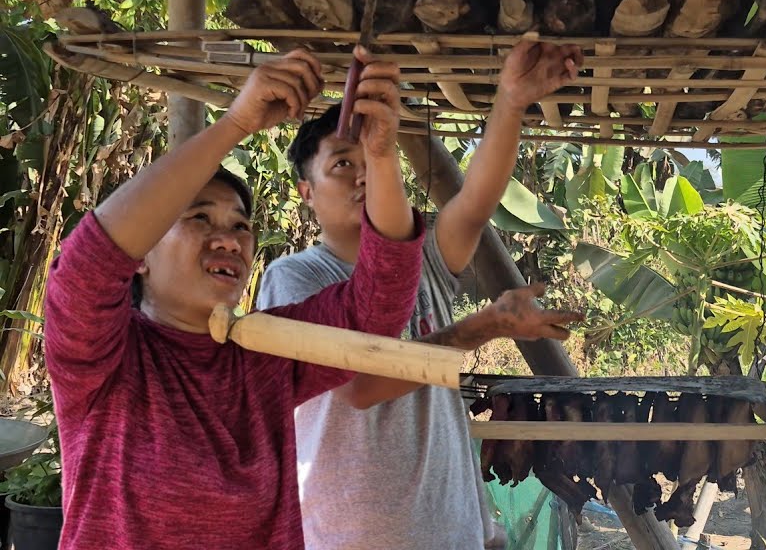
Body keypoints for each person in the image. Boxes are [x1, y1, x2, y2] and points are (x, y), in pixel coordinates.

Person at [44, 48, 425, 549]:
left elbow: (375, 311)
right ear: (141, 254)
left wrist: (380, 158)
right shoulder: (100, 361)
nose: (229, 239)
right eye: (199, 217)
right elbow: (87, 266)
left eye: (241, 225)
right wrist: (236, 123)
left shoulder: (266, 358)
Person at [258, 39, 587, 550]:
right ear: (306, 192)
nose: (364, 173)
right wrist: (482, 327)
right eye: (343, 164)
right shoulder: (296, 280)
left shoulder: (423, 260)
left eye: (370, 157)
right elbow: (360, 389)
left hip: (455, 531)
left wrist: (511, 101)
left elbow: (476, 202)